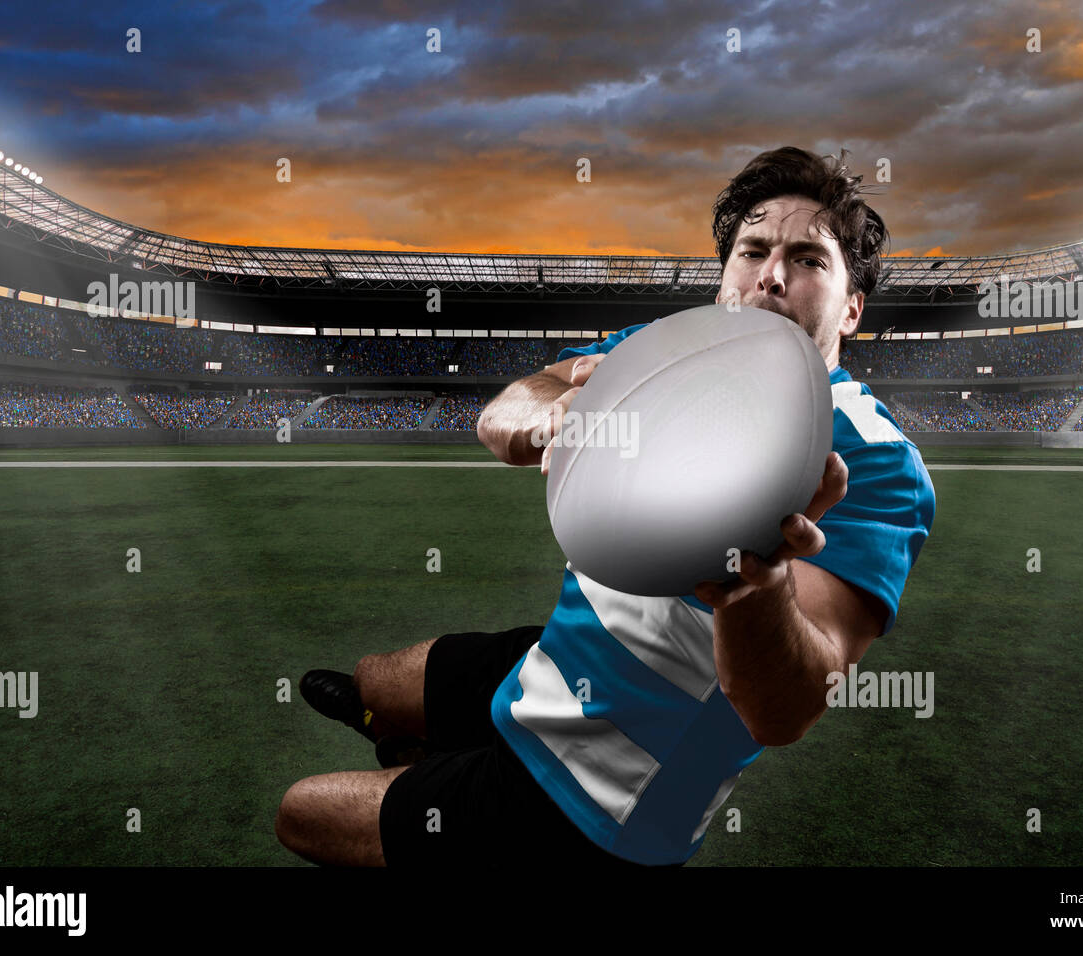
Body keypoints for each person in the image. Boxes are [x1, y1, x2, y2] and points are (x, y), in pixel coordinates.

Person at [275, 147, 936, 867]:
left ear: (852, 308)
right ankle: (417, 751)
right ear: (724, 283)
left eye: (809, 260)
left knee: (299, 813)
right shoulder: (669, 357)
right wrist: (552, 414)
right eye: (753, 250)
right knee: (378, 678)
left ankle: (429, 784)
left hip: (603, 791)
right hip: (559, 659)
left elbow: (784, 709)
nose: (772, 275)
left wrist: (756, 586)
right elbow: (509, 409)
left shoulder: (877, 463)